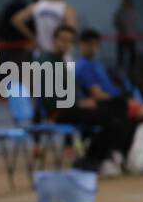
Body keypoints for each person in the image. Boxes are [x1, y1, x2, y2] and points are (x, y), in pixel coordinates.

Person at [74, 29, 143, 174]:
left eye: (96, 45)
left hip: (122, 102)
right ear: (81, 45)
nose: (93, 48)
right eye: (90, 44)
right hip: (115, 106)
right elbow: (98, 94)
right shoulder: (83, 67)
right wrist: (124, 101)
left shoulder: (97, 65)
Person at [39, 25, 131, 173]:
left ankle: (113, 153)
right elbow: (50, 100)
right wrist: (78, 103)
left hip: (70, 107)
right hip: (58, 112)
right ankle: (92, 158)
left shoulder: (61, 61)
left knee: (119, 105)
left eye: (69, 41)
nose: (66, 44)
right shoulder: (46, 62)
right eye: (63, 40)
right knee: (110, 118)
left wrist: (80, 102)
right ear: (54, 40)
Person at [12, 0, 76, 58]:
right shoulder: (66, 9)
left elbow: (16, 20)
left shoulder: (38, 5)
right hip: (60, 54)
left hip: (41, 52)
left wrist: (33, 37)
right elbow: (71, 30)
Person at [112, 0, 138, 74]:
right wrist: (121, 27)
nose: (126, 4)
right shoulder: (119, 12)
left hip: (131, 36)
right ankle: (120, 70)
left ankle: (132, 69)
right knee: (121, 54)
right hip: (122, 36)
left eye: (127, 3)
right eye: (125, 3)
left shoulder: (132, 12)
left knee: (132, 54)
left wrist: (131, 31)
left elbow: (134, 24)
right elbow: (116, 22)